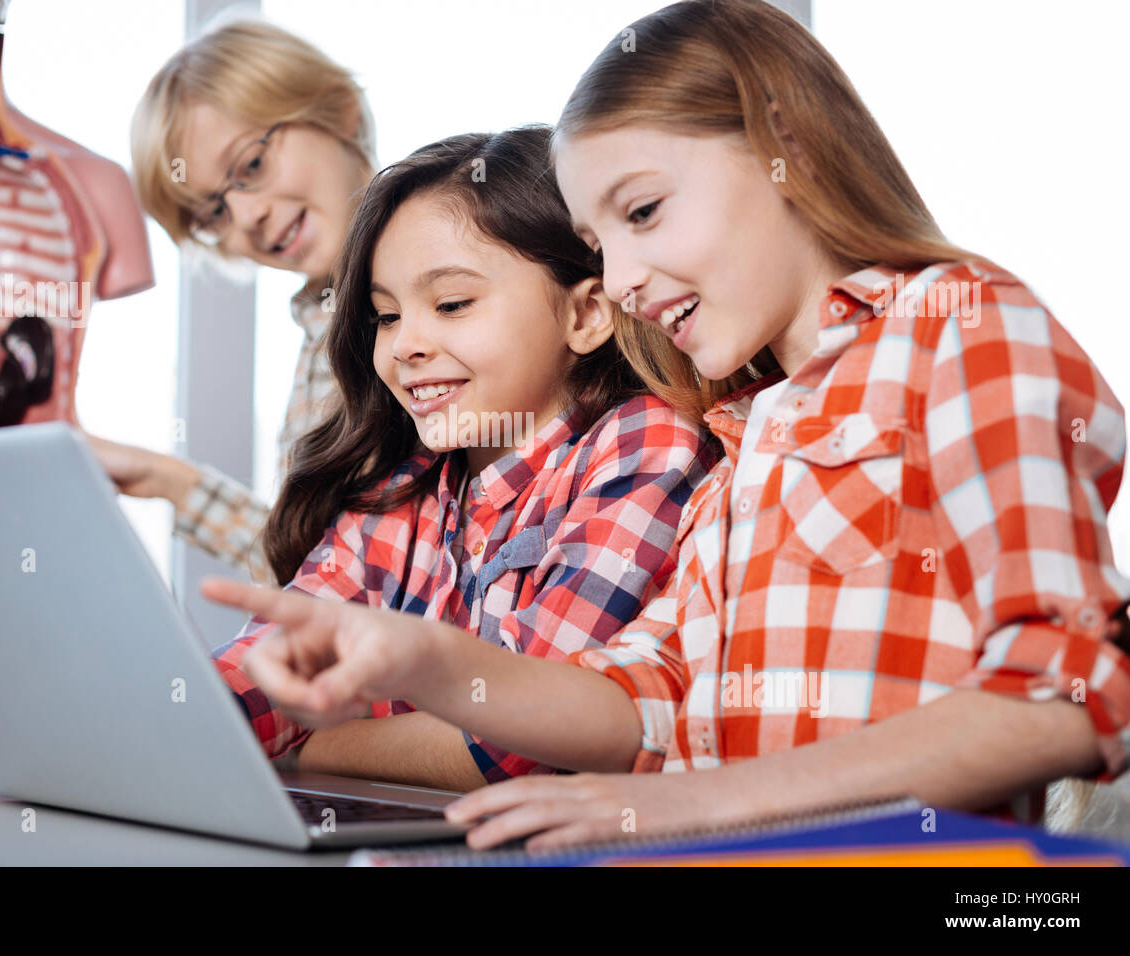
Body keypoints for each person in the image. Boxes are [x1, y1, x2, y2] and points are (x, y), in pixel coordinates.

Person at [204, 0, 1130, 848]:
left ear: (791, 150)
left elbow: (1066, 693)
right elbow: (648, 700)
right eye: (602, 245)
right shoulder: (738, 432)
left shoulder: (958, 327)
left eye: (644, 210)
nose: (621, 279)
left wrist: (694, 801)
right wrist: (430, 660)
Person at [204, 126, 720, 792]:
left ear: (588, 313)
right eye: (386, 316)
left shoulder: (644, 446)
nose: (405, 345)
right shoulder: (406, 489)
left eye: (451, 304)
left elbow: (520, 742)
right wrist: (176, 720)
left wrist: (307, 751)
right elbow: (267, 667)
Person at [89, 20, 377, 578]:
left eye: (251, 166)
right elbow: (316, 561)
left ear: (337, 109)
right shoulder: (323, 317)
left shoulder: (424, 298)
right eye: (214, 213)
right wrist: (167, 481)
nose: (246, 216)